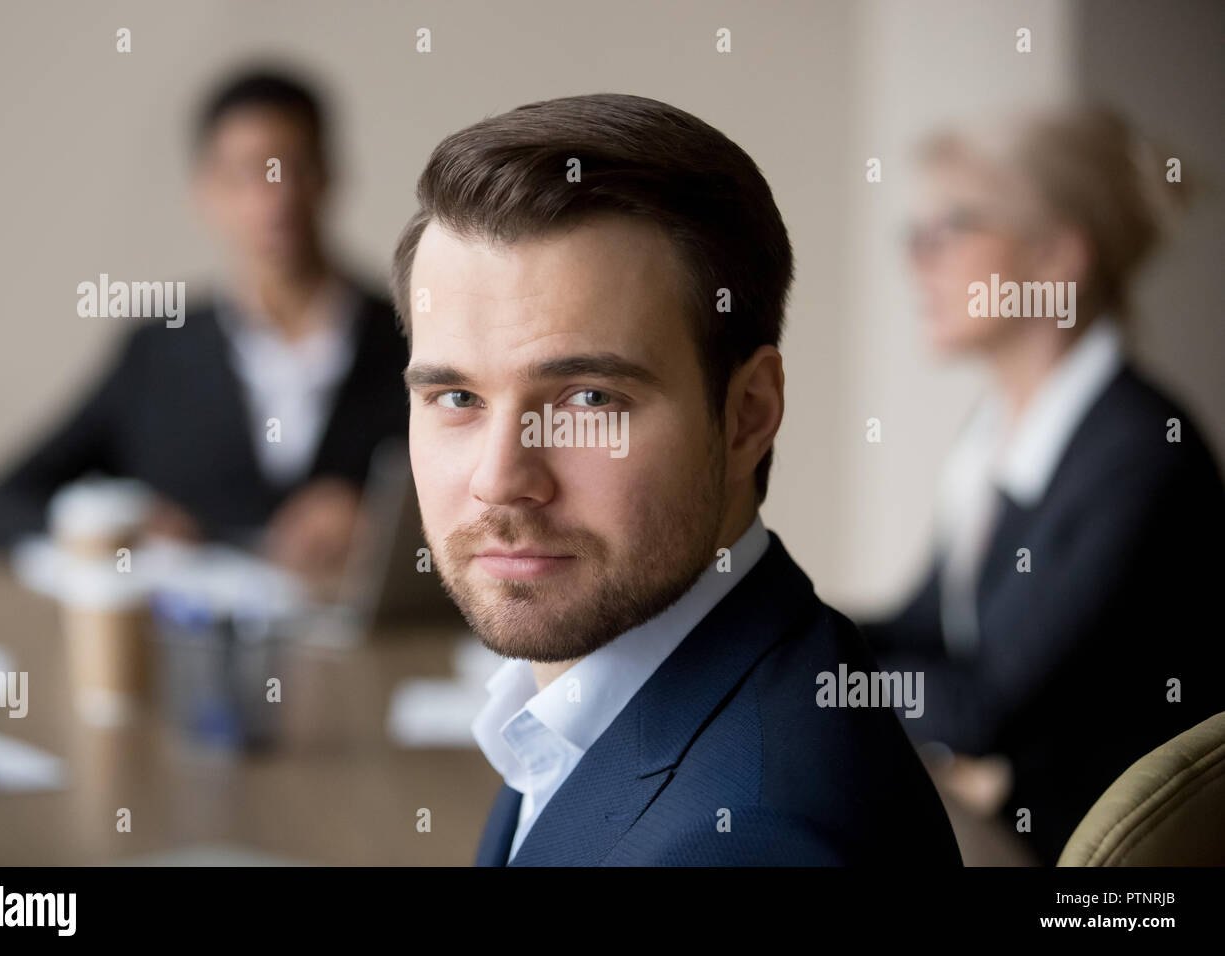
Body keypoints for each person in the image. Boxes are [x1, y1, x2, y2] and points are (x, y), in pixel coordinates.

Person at [392, 92, 962, 866]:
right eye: (457, 398)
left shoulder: (754, 840)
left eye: (588, 400)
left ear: (747, 415)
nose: (500, 479)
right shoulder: (588, 706)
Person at [857, 104, 1225, 863]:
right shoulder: (996, 431)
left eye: (950, 227)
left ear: (1057, 256)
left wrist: (807, 676)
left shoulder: (1138, 454)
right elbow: (923, 630)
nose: (918, 260)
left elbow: (986, 707)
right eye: (914, 234)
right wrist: (770, 622)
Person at [0, 68, 408, 581]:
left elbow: (500, 504)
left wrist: (387, 523)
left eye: (294, 168)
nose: (274, 198)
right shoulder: (157, 353)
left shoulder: (413, 339)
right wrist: (124, 524)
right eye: (246, 174)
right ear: (205, 193)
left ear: (330, 175)